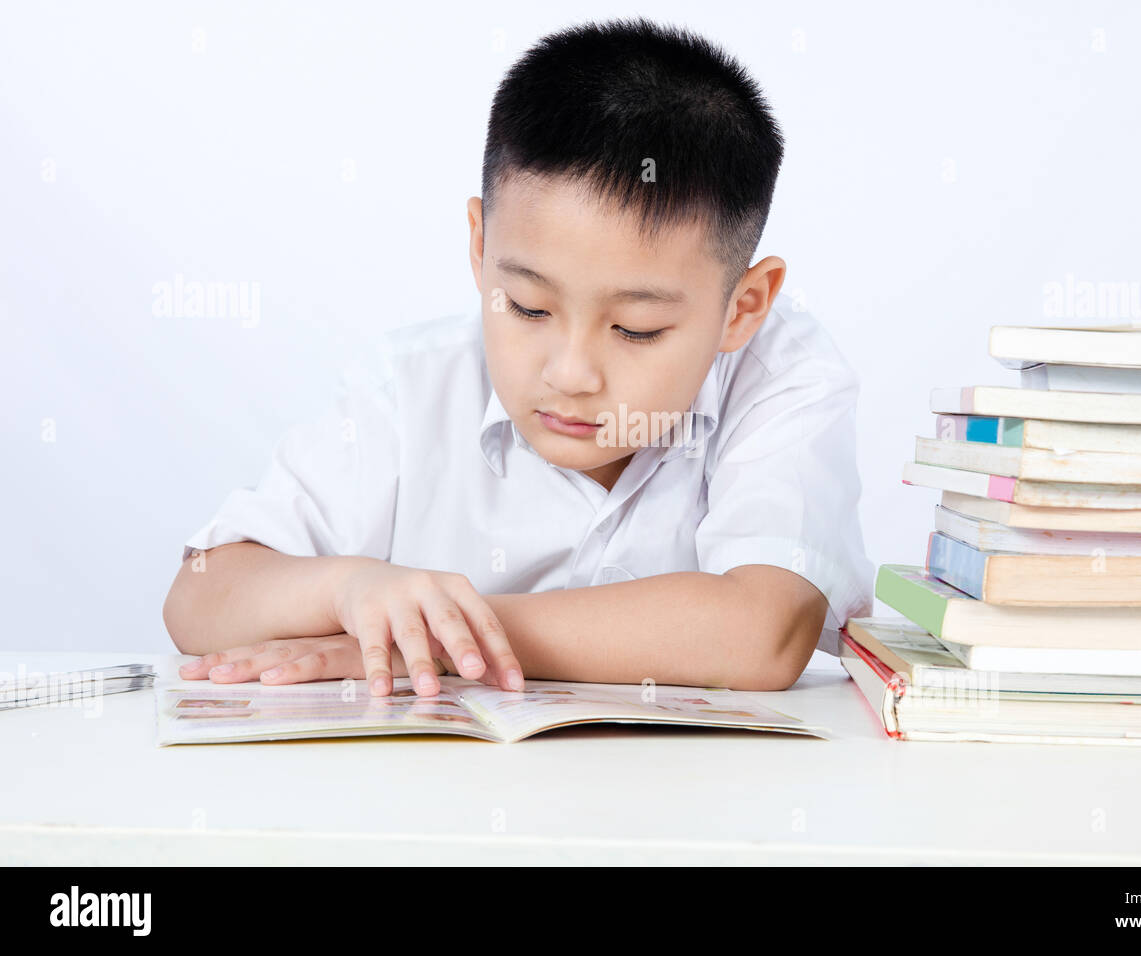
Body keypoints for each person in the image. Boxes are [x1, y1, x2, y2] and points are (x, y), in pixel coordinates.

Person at [164, 16, 874, 698]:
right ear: (480, 247)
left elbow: (764, 631)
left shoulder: (783, 378)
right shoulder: (412, 388)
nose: (569, 372)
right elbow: (197, 595)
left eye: (635, 327)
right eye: (529, 308)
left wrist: (436, 640)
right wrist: (349, 590)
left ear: (743, 307)